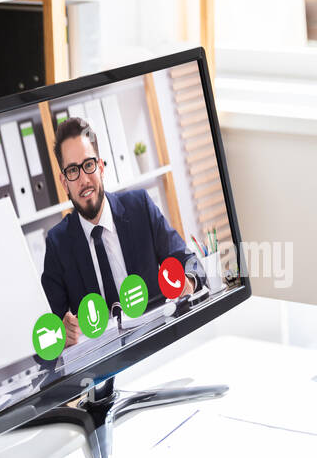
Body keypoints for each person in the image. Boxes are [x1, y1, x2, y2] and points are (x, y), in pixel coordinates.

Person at [41, 117, 200, 345]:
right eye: (73, 171)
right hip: (105, 369)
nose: (84, 179)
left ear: (101, 167)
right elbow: (47, 333)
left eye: (88, 165)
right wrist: (61, 333)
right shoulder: (58, 243)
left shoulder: (140, 207)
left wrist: (189, 282)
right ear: (64, 182)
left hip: (159, 343)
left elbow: (190, 263)